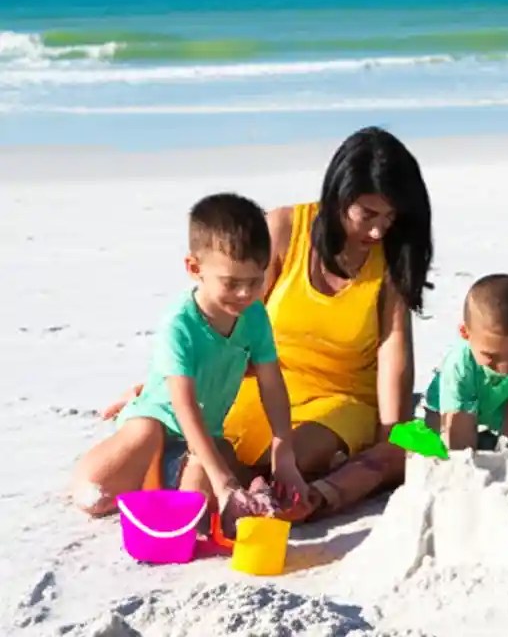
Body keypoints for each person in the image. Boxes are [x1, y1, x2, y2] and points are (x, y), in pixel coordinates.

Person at [103, 126, 434, 521]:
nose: (379, 230)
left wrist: (390, 437)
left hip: (342, 398)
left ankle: (240, 493)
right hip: (262, 379)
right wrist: (163, 381)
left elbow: (394, 348)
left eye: (390, 217)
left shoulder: (391, 259)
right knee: (217, 439)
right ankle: (197, 480)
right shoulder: (284, 229)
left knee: (303, 452)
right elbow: (222, 319)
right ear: (339, 197)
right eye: (368, 214)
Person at [71, 194, 307, 529]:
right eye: (231, 283)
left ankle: (168, 479)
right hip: (159, 421)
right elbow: (183, 406)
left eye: (255, 281)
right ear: (194, 269)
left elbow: (271, 383)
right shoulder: (179, 324)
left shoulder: (254, 315)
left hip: (204, 436)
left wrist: (283, 453)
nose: (245, 294)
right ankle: (134, 463)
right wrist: (223, 482)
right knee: (97, 494)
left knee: (198, 512)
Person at [422, 274, 508, 449]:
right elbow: (457, 434)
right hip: (445, 410)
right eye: (492, 356)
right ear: (466, 333)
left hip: (498, 409)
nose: (504, 368)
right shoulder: (460, 364)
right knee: (438, 444)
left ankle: (503, 449)